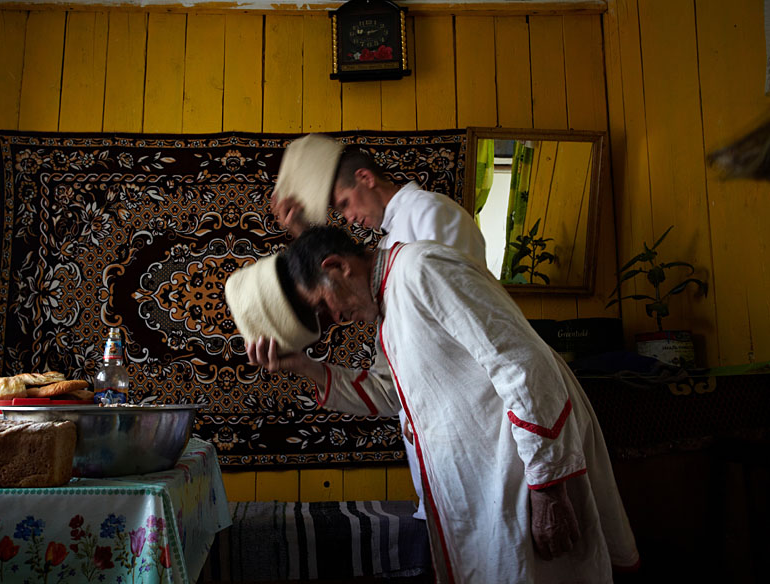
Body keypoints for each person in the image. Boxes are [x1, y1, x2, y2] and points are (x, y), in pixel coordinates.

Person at [240, 226, 639, 583]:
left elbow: (521, 364)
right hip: (486, 482)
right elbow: (388, 394)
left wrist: (548, 486)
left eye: (323, 306)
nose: (335, 318)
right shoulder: (389, 307)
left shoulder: (422, 269)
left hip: (519, 473)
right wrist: (304, 367)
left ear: (337, 266)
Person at [271, 133, 487, 520]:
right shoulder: (390, 244)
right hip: (438, 441)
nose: (348, 217)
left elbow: (455, 317)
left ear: (367, 179)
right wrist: (307, 239)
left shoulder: (430, 215)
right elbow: (361, 280)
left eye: (345, 203)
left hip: (470, 424)